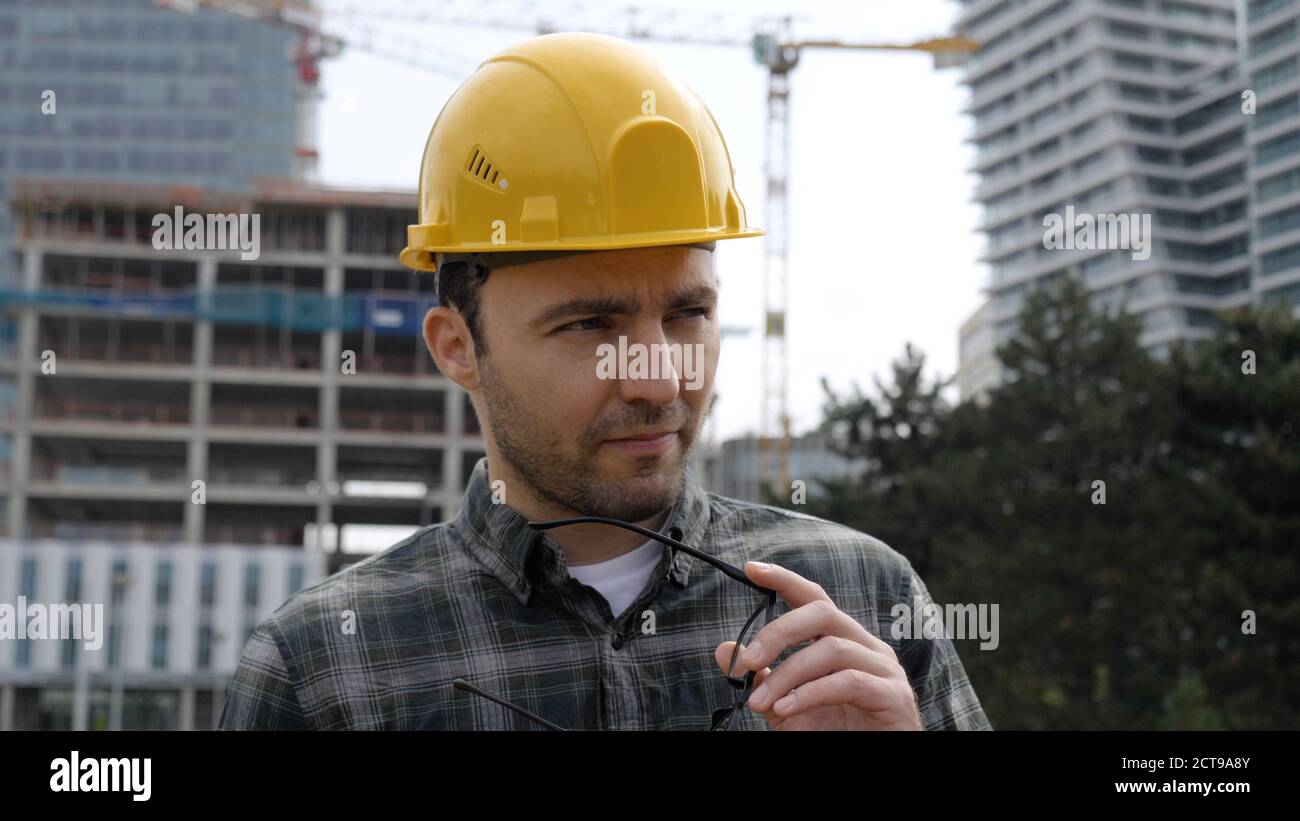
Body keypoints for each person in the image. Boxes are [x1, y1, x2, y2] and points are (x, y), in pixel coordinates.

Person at [220, 32, 990, 731]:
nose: (658, 379)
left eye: (689, 312)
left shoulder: (862, 602)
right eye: (589, 325)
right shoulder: (326, 670)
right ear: (457, 346)